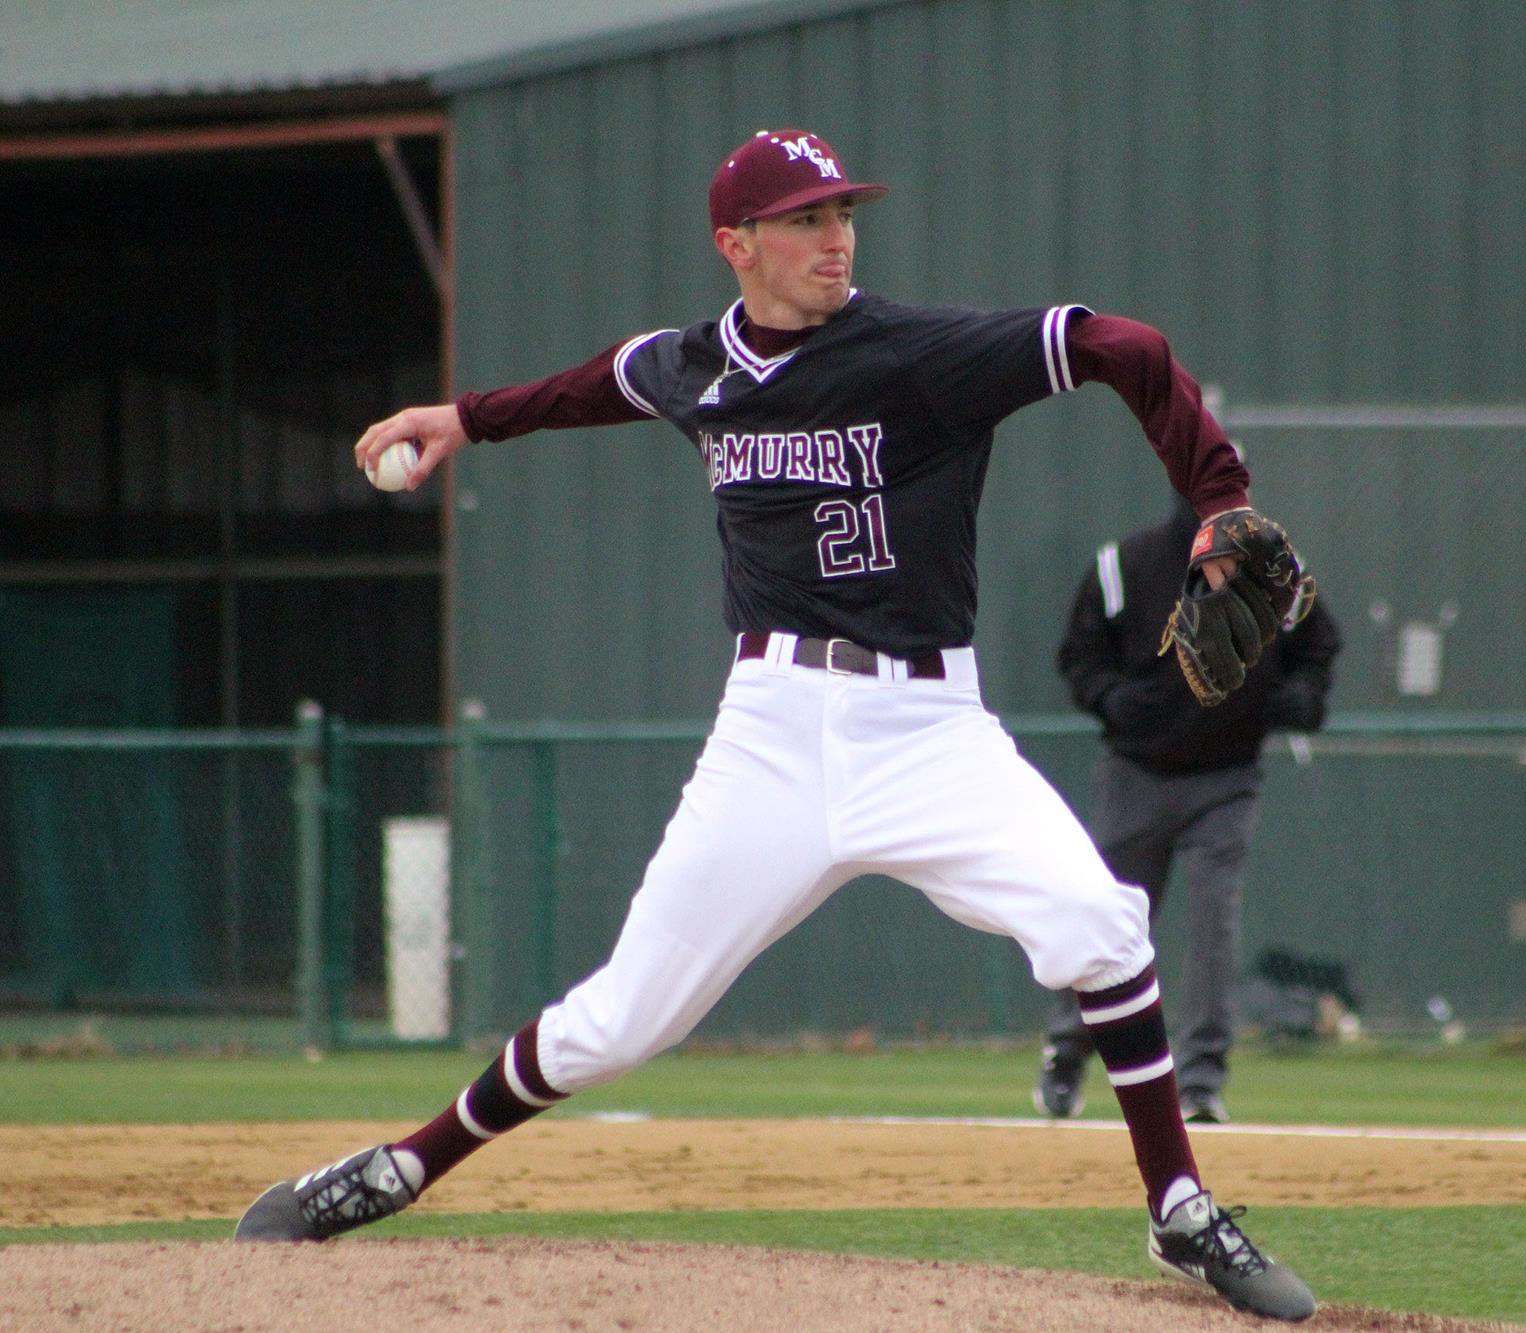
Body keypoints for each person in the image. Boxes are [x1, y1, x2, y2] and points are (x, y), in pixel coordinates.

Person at [233, 128, 1316, 1322]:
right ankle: (395, 1168)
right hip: (769, 733)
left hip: (928, 729)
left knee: (1101, 926)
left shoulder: (917, 354)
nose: (834, 236)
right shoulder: (690, 366)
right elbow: (600, 381)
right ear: (734, 244)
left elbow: (1124, 346)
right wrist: (466, 417)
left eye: (841, 212)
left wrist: (1222, 498)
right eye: (803, 218)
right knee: (621, 1019)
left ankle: (1176, 1210)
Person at [1034, 498, 1339, 1127]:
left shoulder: (1274, 566)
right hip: (1136, 775)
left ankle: (1199, 1084)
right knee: (1105, 927)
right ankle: (1067, 1054)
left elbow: (1318, 644)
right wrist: (1112, 698)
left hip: (1226, 779)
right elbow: (1079, 656)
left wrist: (1301, 695)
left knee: (1213, 931)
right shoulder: (1127, 564)